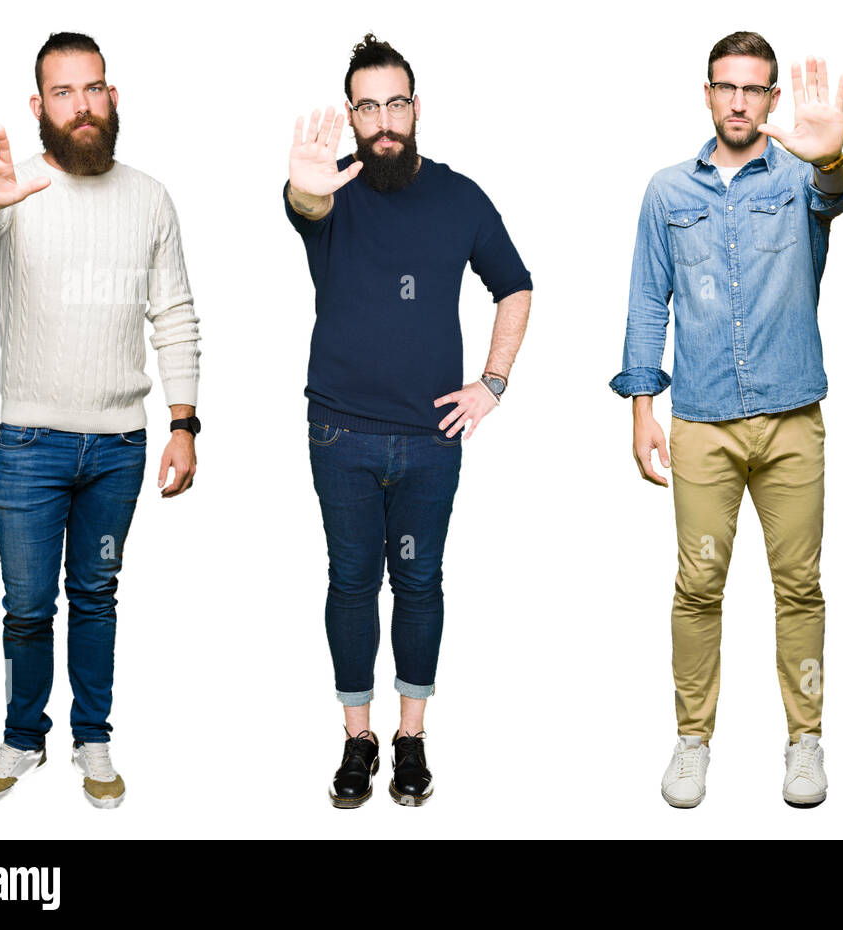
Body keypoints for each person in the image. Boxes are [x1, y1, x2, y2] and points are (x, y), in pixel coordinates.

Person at [610, 31, 843, 809]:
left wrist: (829, 158)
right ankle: (692, 741)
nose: (739, 101)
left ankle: (806, 739)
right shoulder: (667, 192)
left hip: (792, 421)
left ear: (773, 99)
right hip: (703, 426)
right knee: (698, 585)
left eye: (755, 89)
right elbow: (646, 299)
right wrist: (641, 411)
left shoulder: (801, 178)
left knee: (800, 585)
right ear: (708, 92)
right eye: (727, 86)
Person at [284, 34, 532, 808]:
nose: (383, 119)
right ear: (351, 114)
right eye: (368, 106)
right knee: (352, 584)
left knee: (419, 581)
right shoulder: (329, 189)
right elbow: (306, 203)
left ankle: (410, 736)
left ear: (416, 110)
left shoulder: (459, 196)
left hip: (432, 439)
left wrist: (492, 384)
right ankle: (358, 739)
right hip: (341, 433)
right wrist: (302, 189)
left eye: (396, 103)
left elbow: (515, 286)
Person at [0, 32, 202, 809]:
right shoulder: (13, 186)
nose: (81, 105)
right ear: (39, 107)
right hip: (29, 446)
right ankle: (22, 737)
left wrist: (185, 422)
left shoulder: (150, 197)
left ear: (113, 96)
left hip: (119, 448)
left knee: (96, 594)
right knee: (27, 605)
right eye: (62, 93)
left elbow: (175, 315)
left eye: (92, 88)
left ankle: (92, 740)